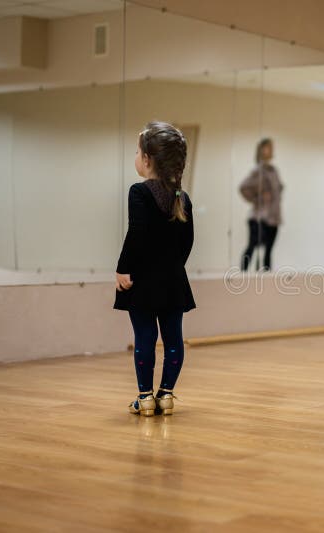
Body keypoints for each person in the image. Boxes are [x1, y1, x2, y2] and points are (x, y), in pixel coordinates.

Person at [115, 122, 195, 417]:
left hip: (143, 281)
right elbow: (188, 241)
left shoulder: (139, 192)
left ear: (147, 159)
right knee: (173, 338)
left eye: (137, 151)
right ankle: (167, 395)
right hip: (173, 280)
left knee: (145, 337)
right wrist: (172, 268)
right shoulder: (181, 196)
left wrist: (123, 269)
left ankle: (145, 398)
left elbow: (136, 233)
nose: (135, 156)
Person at [239, 138, 283, 271]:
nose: (271, 150)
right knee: (252, 246)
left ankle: (266, 281)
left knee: (268, 251)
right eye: (268, 147)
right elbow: (243, 187)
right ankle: (243, 275)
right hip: (259, 217)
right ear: (262, 149)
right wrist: (258, 198)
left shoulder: (274, 171)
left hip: (273, 218)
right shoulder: (258, 170)